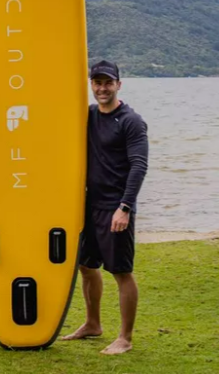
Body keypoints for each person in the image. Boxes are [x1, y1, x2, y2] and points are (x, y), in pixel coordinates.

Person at [62, 59, 149, 355]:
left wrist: (125, 207)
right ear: (91, 85)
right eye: (97, 83)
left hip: (116, 206)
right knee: (87, 267)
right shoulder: (89, 116)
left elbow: (139, 165)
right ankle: (92, 324)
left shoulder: (130, 121)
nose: (102, 88)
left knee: (120, 271)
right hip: (89, 204)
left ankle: (125, 338)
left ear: (118, 85)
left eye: (108, 83)